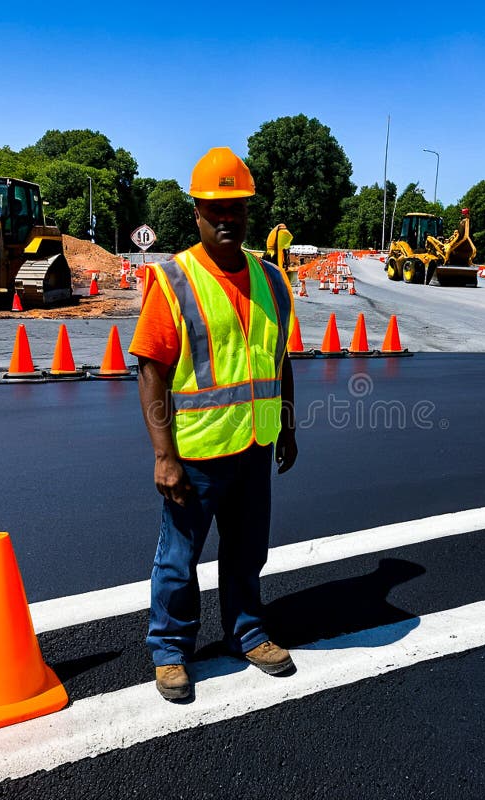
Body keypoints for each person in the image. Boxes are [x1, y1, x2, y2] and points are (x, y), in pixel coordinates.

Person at [129, 146, 298, 701]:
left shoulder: (273, 281)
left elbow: (279, 360)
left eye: (236, 209)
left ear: (248, 211)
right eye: (214, 209)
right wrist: (163, 454)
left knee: (248, 551)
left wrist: (288, 427)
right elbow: (151, 370)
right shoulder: (175, 280)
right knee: (178, 560)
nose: (227, 219)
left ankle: (246, 632)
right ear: (197, 212)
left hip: (253, 446)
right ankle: (171, 649)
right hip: (195, 455)